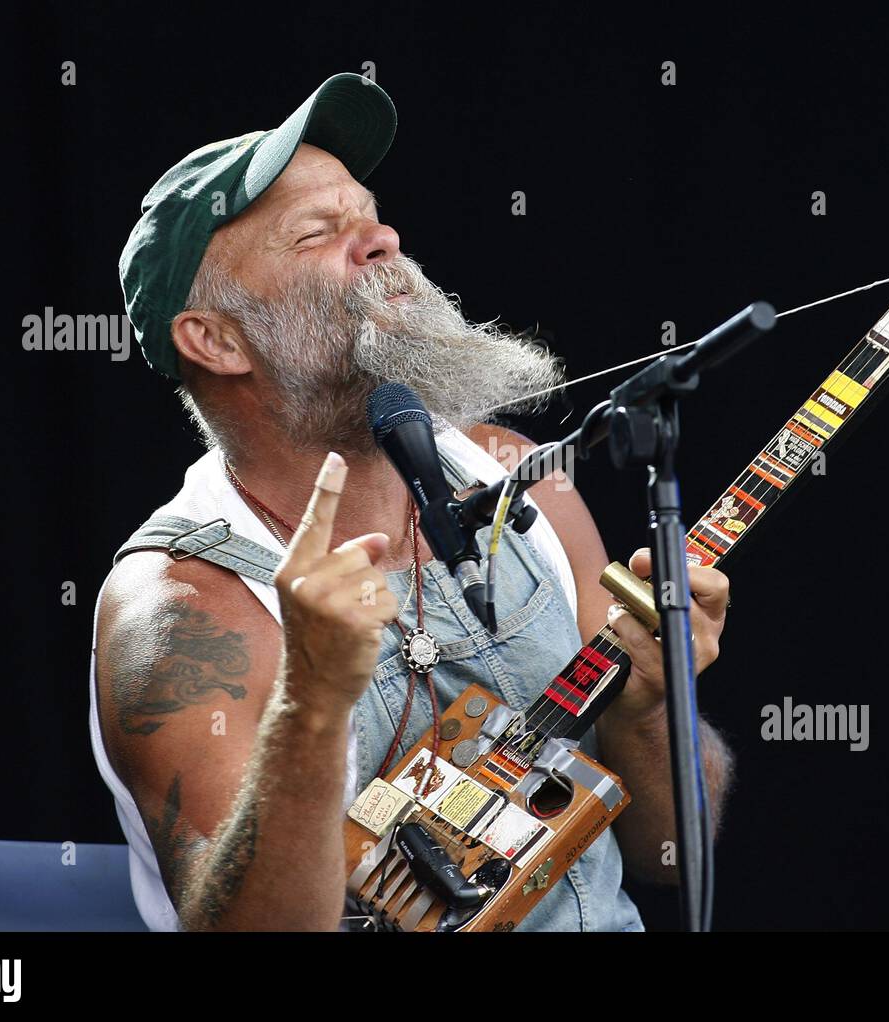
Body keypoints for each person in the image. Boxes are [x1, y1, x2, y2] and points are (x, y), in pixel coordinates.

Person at [90, 73, 734, 931]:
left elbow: (671, 853)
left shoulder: (516, 478)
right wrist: (311, 705)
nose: (382, 238)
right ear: (214, 339)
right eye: (319, 232)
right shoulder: (179, 612)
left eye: (372, 214)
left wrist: (652, 705)